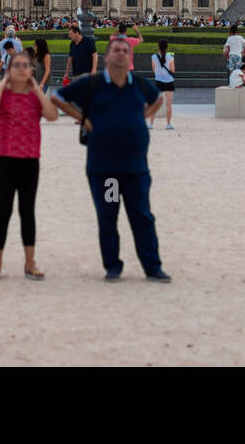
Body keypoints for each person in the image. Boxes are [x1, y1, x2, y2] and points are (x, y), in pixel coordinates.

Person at [53, 37, 170, 283]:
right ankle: (113, 266)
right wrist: (83, 119)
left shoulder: (138, 83)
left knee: (142, 216)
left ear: (130, 58)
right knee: (109, 216)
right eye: (115, 50)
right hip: (106, 170)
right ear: (107, 57)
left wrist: (142, 116)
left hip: (135, 168)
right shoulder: (93, 83)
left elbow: (158, 98)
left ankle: (152, 266)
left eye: (124, 50)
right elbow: (58, 97)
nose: (120, 53)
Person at [0, 50, 59, 280]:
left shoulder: (35, 95)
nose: (22, 69)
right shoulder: (1, 94)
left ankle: (30, 262)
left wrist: (36, 87)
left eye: (26, 65)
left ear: (32, 70)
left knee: (27, 212)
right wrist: (3, 83)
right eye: (17, 65)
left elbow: (52, 114)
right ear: (9, 70)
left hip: (29, 160)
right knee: (3, 211)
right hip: (5, 158)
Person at [149, 41, 176, 130]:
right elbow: (173, 70)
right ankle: (168, 124)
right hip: (169, 82)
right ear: (167, 47)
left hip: (158, 81)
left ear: (158, 47)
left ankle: (151, 124)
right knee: (169, 104)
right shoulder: (170, 57)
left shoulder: (153, 57)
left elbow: (154, 70)